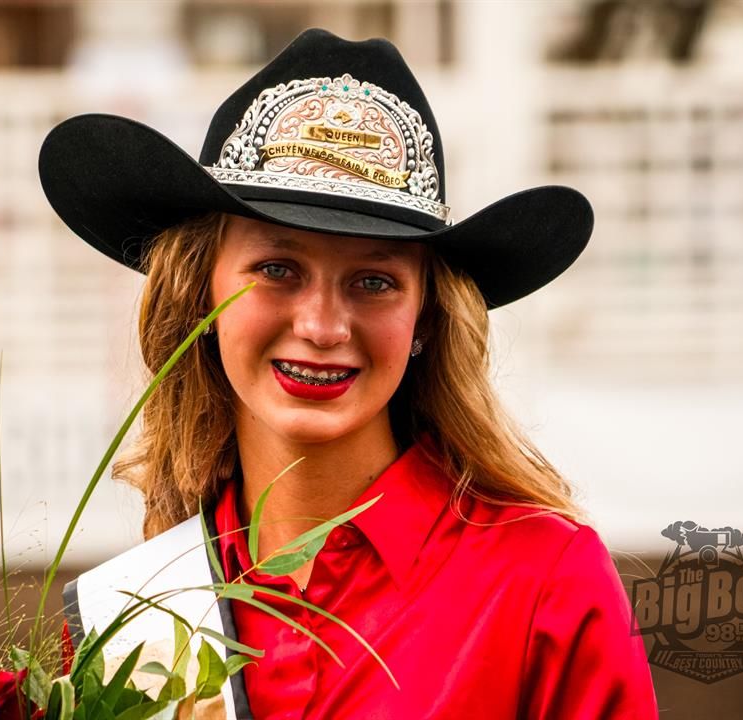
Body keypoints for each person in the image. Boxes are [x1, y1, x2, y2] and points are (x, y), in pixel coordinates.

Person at [40, 28, 658, 720]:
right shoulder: (134, 616)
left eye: (373, 281)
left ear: (425, 318)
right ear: (200, 297)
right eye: (277, 270)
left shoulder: (546, 581)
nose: (323, 326)